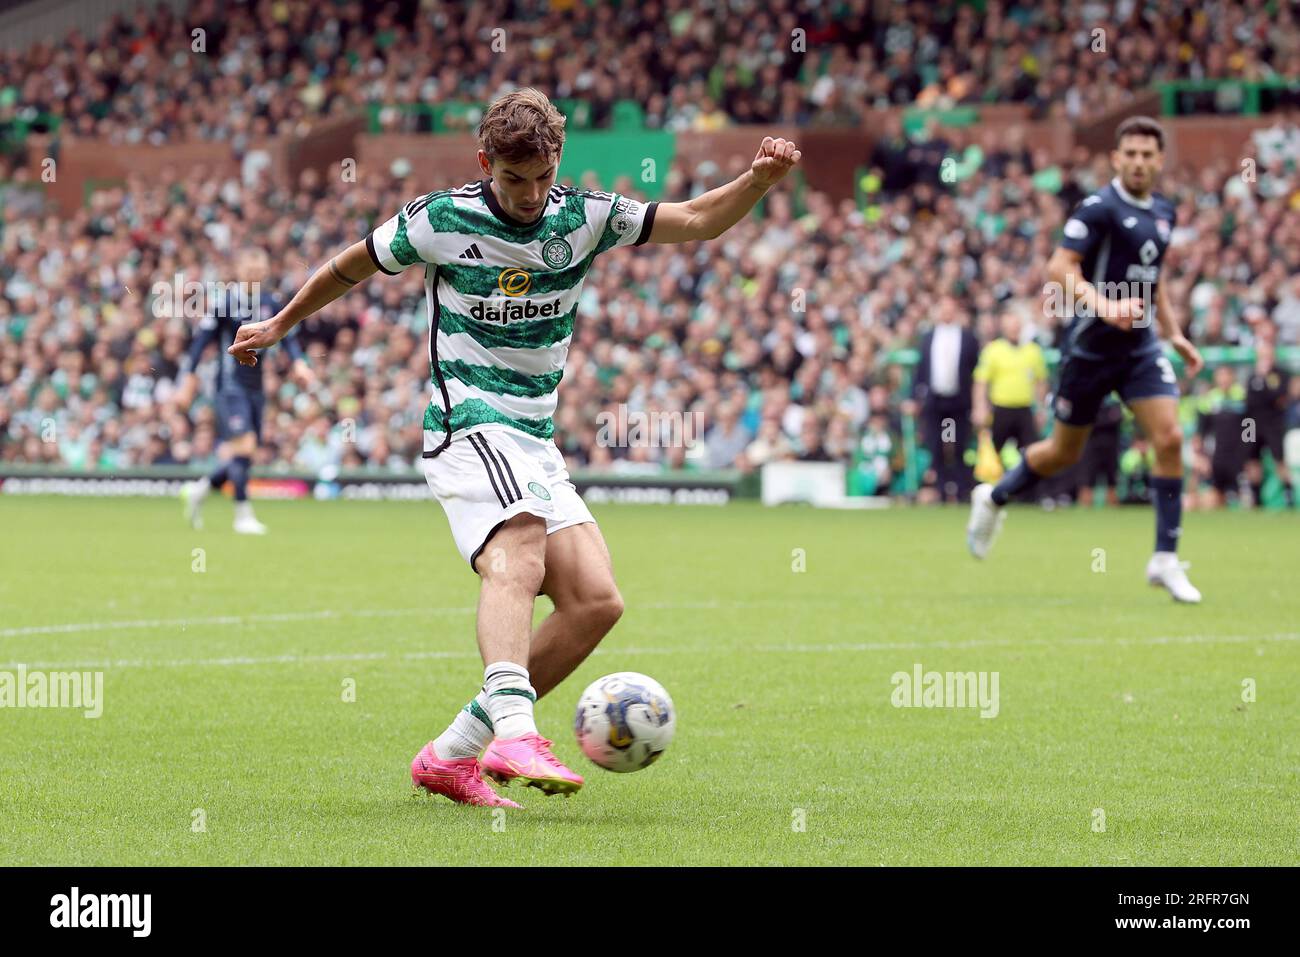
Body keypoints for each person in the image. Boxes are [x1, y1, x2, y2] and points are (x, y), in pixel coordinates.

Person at [223, 89, 802, 807]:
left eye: (542, 176)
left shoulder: (583, 215)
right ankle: (516, 730)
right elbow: (352, 264)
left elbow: (694, 219)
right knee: (520, 542)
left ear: (558, 159)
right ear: (485, 163)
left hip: (533, 435)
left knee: (596, 601)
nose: (530, 195)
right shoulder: (439, 218)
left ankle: (451, 754)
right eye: (513, 179)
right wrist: (279, 323)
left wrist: (757, 181)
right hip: (465, 419)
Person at [966, 116, 1206, 603]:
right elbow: (1059, 267)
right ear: (1116, 159)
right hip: (1091, 351)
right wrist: (1106, 306)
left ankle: (1164, 558)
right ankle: (992, 496)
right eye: (1131, 154)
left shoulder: (1163, 212)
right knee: (1061, 454)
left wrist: (1174, 334)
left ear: (1160, 161)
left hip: (1139, 349)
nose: (1139, 162)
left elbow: (1151, 280)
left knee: (1171, 437)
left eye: (1147, 154)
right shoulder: (1099, 208)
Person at [175, 246, 313, 534]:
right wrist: (187, 378)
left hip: (256, 386)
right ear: (239, 272)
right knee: (245, 446)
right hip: (230, 386)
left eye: (259, 271)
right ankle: (242, 515)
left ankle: (201, 489)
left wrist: (299, 364)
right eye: (249, 271)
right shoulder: (225, 303)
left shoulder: (270, 303)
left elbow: (288, 337)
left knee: (246, 453)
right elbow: (201, 342)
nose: (254, 276)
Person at [913, 296, 980, 502]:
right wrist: (914, 397)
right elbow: (921, 369)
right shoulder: (928, 337)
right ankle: (942, 490)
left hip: (959, 401)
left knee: (959, 445)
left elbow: (976, 371)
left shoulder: (968, 337)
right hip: (936, 400)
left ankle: (960, 491)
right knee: (937, 445)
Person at [972, 306, 1048, 459]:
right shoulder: (993, 350)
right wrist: (979, 407)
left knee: (1031, 454)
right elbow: (981, 382)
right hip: (1001, 410)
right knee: (993, 454)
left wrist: (1041, 409)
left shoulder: (1033, 351)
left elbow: (1041, 382)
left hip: (1025, 410)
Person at [1244, 340, 1294, 507]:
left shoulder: (1280, 375)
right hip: (1250, 424)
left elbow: (1278, 398)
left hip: (1273, 423)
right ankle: (1256, 499)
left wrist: (1265, 380)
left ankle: (1288, 496)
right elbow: (1249, 401)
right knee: (1251, 459)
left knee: (1279, 459)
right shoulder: (1252, 376)